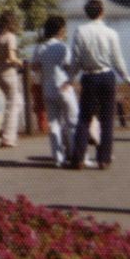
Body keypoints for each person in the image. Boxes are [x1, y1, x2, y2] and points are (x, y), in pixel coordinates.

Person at [68, 0, 130, 170]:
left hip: (89, 76)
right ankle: (104, 158)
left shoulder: (80, 31)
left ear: (87, 13)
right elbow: (117, 59)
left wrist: (70, 78)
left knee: (84, 117)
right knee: (107, 119)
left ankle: (78, 157)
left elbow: (75, 58)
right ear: (102, 12)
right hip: (107, 76)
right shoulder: (111, 33)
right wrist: (128, 79)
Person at [32, 15, 78, 167]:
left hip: (48, 88)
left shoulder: (40, 47)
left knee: (54, 124)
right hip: (64, 86)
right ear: (60, 30)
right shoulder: (62, 47)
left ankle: (58, 157)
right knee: (72, 121)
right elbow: (71, 66)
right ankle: (75, 154)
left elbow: (34, 67)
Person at [0, 10, 24, 147]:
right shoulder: (10, 37)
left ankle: (4, 128)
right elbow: (12, 58)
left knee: (17, 102)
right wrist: (20, 62)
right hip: (9, 74)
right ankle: (8, 137)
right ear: (11, 23)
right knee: (13, 105)